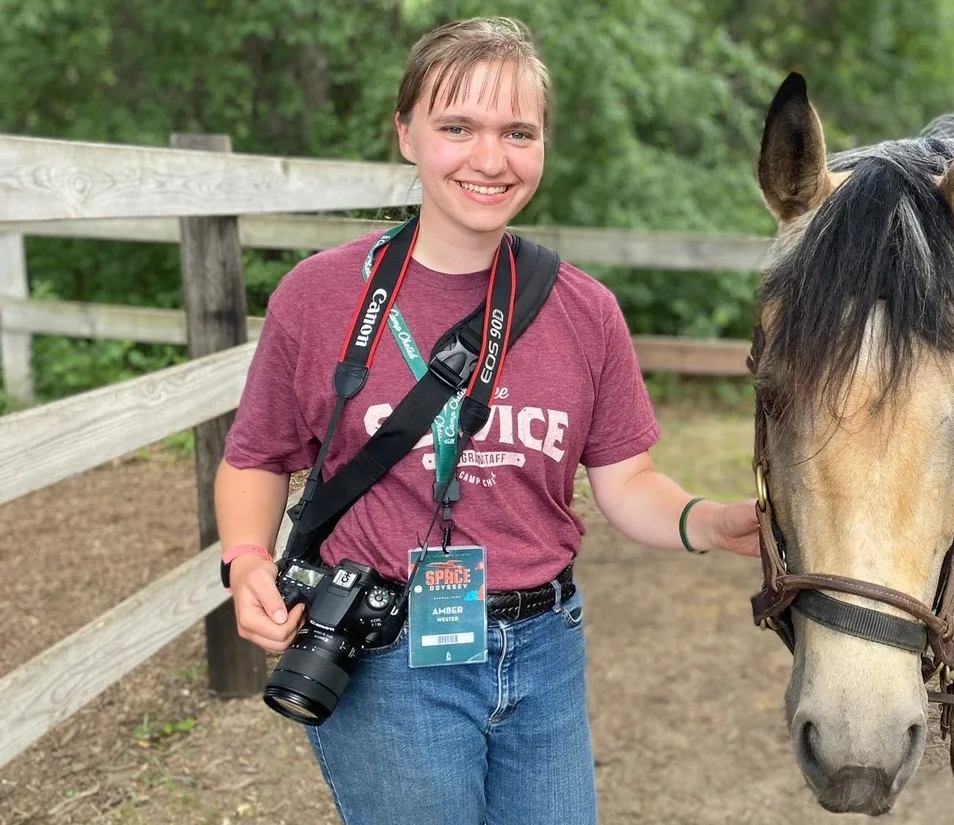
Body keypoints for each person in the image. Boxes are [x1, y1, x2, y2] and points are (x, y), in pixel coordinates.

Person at [213, 17, 759, 825]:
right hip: (385, 648)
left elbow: (628, 480)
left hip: (544, 647)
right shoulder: (321, 295)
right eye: (457, 127)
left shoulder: (586, 311)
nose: (490, 158)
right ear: (406, 134)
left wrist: (711, 522)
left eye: (518, 132)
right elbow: (255, 457)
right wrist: (248, 559)